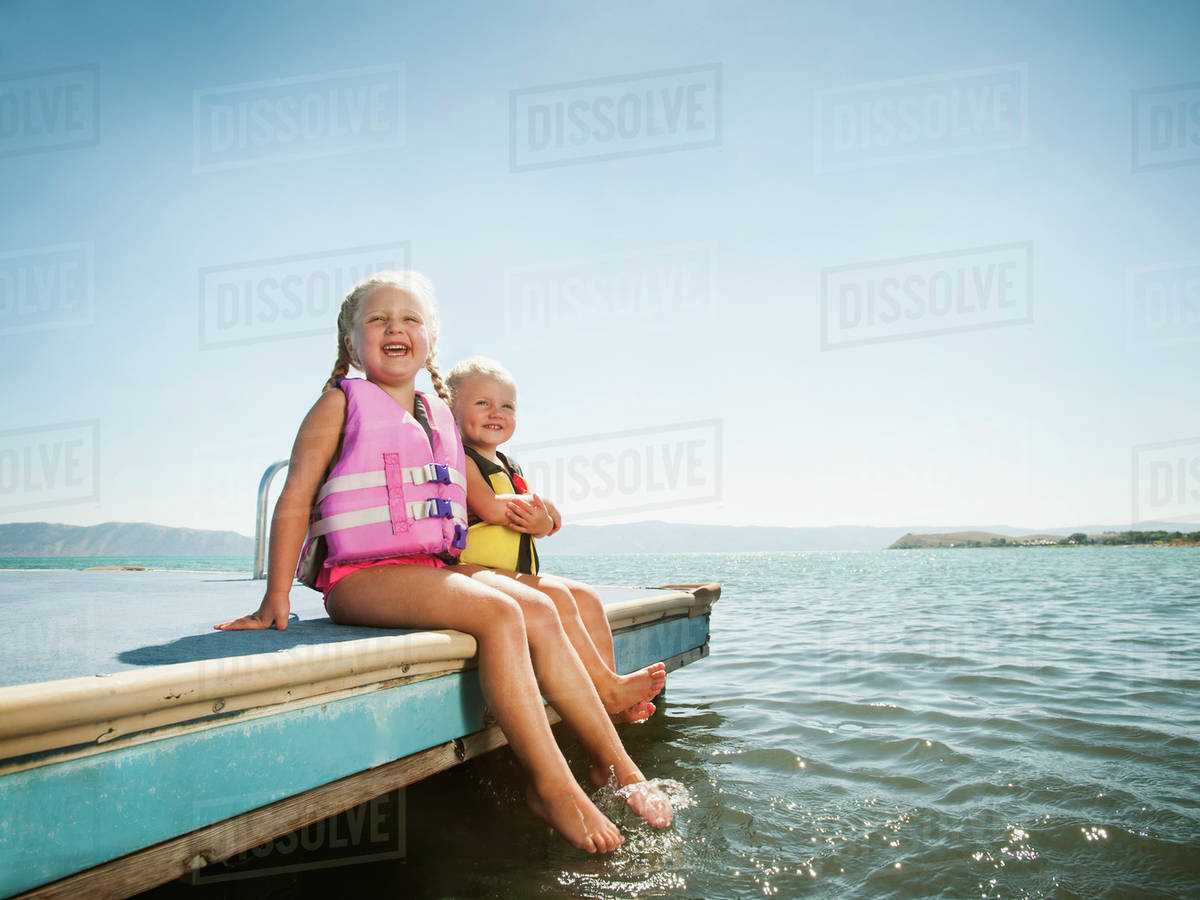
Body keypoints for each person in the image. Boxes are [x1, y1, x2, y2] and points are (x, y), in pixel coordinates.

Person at [215, 271, 671, 852]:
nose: (394, 328)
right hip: (363, 578)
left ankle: (616, 766)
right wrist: (274, 599)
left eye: (409, 319)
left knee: (540, 604)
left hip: (429, 570)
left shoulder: (438, 421)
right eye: (377, 320)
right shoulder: (337, 404)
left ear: (429, 340)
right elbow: (296, 495)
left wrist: (545, 515)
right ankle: (551, 787)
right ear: (351, 343)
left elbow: (484, 505)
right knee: (503, 616)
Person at [446, 356, 665, 726]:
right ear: (450, 410)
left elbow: (547, 522)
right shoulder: (457, 456)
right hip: (473, 575)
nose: (495, 412)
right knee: (560, 599)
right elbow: (489, 506)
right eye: (482, 403)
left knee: (587, 598)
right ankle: (610, 692)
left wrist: (544, 516)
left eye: (507, 406)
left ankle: (607, 694)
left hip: (510, 575)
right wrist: (540, 513)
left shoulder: (508, 466)